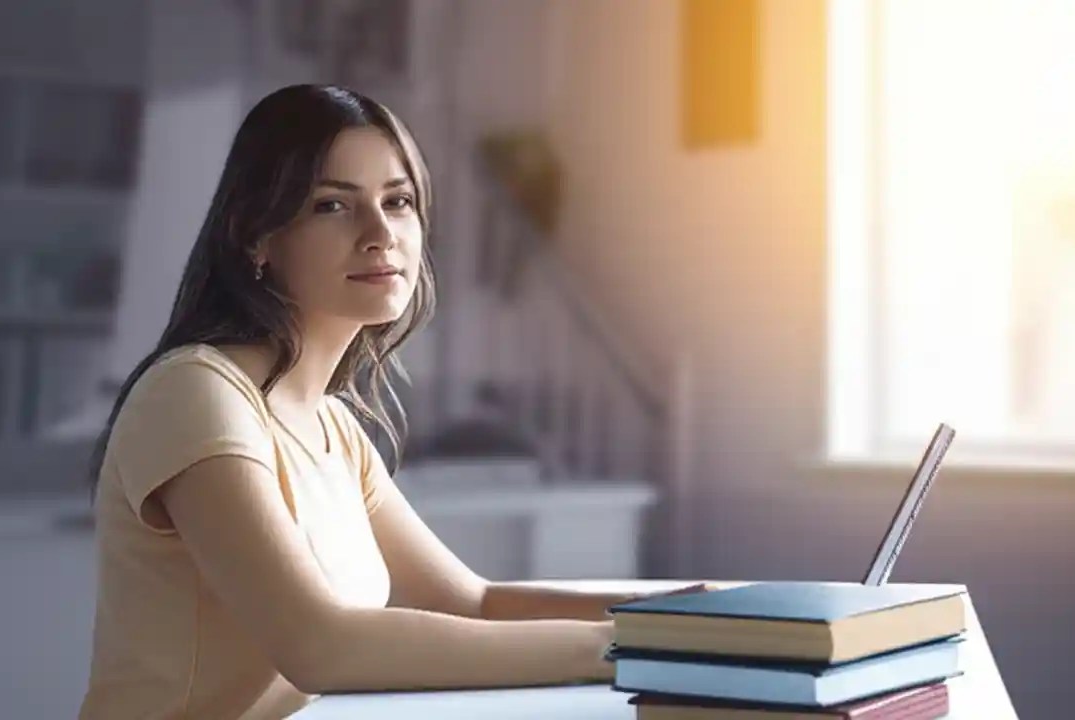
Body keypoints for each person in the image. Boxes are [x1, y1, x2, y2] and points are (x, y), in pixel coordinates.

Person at [77, 84, 702, 720]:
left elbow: (473, 603)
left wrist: (691, 614)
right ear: (255, 238)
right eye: (331, 206)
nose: (380, 234)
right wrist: (624, 643)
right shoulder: (196, 392)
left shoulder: (331, 425)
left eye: (398, 201)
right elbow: (320, 647)